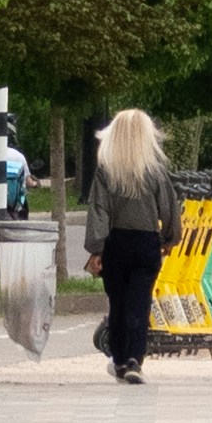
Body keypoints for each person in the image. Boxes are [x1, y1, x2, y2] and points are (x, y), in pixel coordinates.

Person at [90, 104, 177, 383]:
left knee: (117, 303)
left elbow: (99, 210)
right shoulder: (155, 170)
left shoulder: (106, 170)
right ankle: (134, 360)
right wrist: (170, 238)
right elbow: (169, 207)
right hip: (146, 242)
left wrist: (97, 248)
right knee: (140, 303)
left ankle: (117, 358)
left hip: (116, 242)